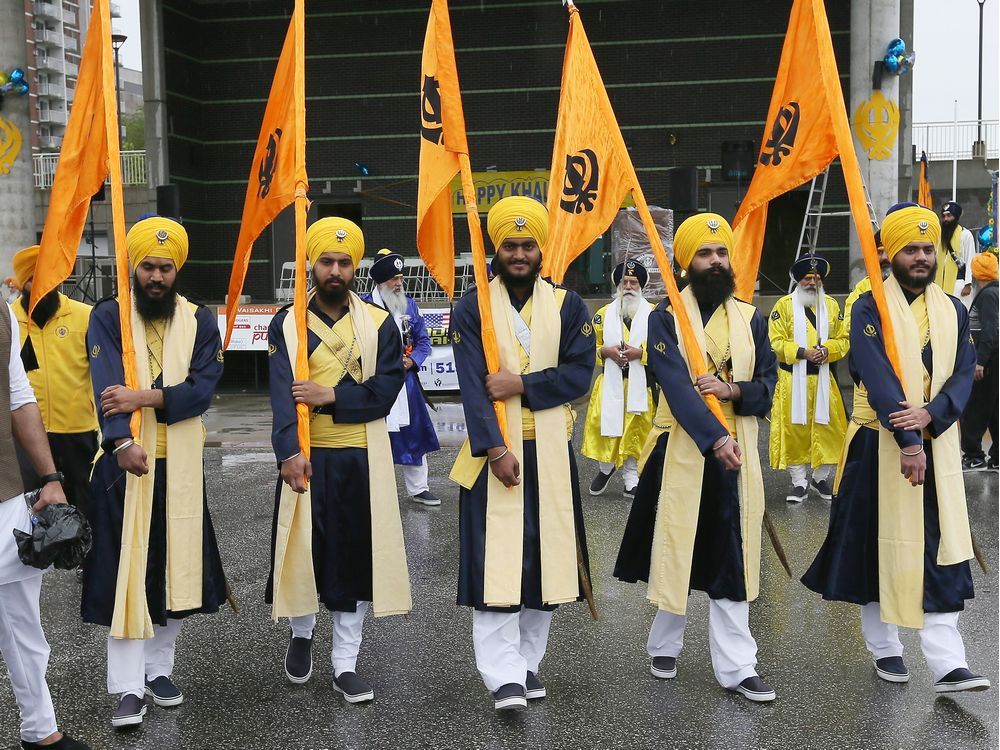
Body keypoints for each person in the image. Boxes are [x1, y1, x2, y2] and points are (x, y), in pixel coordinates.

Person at [803, 203, 990, 695]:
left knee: (941, 550)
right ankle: (885, 649)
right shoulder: (869, 305)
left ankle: (949, 663)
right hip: (877, 445)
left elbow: (962, 374)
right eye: (911, 249)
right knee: (874, 548)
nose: (922, 257)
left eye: (929, 249)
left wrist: (932, 414)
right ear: (890, 254)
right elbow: (875, 374)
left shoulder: (954, 309)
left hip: (939, 443)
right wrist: (909, 440)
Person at [613, 213, 778, 703]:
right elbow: (678, 389)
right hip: (685, 450)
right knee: (677, 547)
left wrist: (732, 389)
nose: (714, 262)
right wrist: (715, 437)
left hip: (737, 457)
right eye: (704, 254)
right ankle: (664, 644)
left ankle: (738, 666)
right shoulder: (665, 319)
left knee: (732, 556)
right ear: (686, 262)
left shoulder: (753, 319)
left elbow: (767, 388)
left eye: (721, 253)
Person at [449, 196, 594, 711]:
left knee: (545, 566)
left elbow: (580, 375)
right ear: (497, 249)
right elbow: (470, 385)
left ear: (541, 249)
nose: (518, 253)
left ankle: (528, 664)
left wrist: (520, 384)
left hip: (552, 453)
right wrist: (493, 448)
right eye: (509, 245)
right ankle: (501, 674)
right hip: (499, 451)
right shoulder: (473, 307)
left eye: (527, 245)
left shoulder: (569, 305)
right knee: (498, 567)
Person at [83, 216, 229, 728]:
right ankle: (127, 687)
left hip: (181, 465)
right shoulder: (109, 317)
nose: (157, 278)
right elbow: (106, 386)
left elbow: (200, 393)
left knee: (172, 570)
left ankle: (159, 670)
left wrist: (143, 396)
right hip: (126, 463)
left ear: (177, 270)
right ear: (133, 267)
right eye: (148, 266)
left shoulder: (200, 321)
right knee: (128, 575)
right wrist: (121, 439)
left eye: (166, 268)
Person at [267, 217, 410, 705]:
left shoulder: (380, 323)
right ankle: (302, 633)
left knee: (354, 560)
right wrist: (288, 451)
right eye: (326, 261)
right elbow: (281, 396)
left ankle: (345, 663)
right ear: (311, 264)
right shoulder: (286, 322)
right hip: (306, 457)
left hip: (360, 457)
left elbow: (386, 390)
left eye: (344, 263)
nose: (334, 270)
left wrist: (329, 395)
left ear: (356, 268)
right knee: (304, 552)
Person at [0, 296, 90, 749]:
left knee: (23, 624)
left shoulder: (1, 312)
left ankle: (40, 732)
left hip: (6, 493)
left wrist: (51, 478)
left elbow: (19, 397)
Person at [10, 245, 98, 516]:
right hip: (24, 436)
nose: (41, 286)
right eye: (32, 279)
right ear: (22, 283)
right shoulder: (8, 320)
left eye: (48, 278)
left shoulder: (86, 316)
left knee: (82, 508)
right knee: (28, 511)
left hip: (77, 433)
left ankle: (84, 559)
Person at [362, 248, 442, 505]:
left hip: (406, 384)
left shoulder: (411, 306)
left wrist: (412, 360)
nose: (398, 284)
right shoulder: (362, 306)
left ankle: (419, 488)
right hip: (373, 384)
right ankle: (372, 491)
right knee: (372, 437)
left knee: (414, 435)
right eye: (393, 279)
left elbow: (423, 342)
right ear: (379, 281)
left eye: (400, 278)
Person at [767, 255, 848, 501]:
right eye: (808, 278)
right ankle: (799, 482)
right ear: (798, 280)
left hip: (824, 380)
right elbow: (775, 342)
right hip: (793, 380)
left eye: (817, 278)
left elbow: (843, 338)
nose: (813, 282)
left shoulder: (832, 306)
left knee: (831, 431)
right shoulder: (782, 306)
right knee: (795, 431)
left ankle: (820, 479)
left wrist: (828, 351)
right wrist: (802, 352)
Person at [581, 260, 654, 498]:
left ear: (641, 286)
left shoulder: (654, 314)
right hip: (610, 383)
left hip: (641, 383)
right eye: (625, 282)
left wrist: (641, 353)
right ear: (618, 285)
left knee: (636, 428)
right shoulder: (603, 314)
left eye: (634, 282)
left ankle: (631, 477)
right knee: (606, 426)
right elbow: (588, 348)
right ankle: (606, 467)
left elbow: (665, 350)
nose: (629, 286)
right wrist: (605, 352)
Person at [960, 252, 998, 471]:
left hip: (989, 361)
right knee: (994, 410)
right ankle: (997, 457)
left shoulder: (988, 295)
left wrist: (980, 361)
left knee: (975, 408)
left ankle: (974, 455)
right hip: (993, 359)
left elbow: (991, 331)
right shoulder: (993, 293)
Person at [843, 230, 891, 332]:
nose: (884, 258)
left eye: (889, 252)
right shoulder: (863, 287)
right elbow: (849, 325)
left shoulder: (912, 285)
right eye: (879, 252)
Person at [938, 201, 976, 302]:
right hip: (939, 284)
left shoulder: (965, 234)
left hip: (958, 284)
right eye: (944, 216)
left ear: (956, 217)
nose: (945, 219)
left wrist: (968, 284)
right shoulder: (939, 236)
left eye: (949, 216)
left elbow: (970, 260)